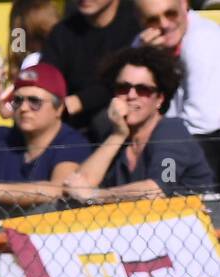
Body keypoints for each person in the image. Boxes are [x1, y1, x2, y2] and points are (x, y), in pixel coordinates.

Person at [63, 46, 212, 203]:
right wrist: (117, 135)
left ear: (160, 99)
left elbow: (158, 189)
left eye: (143, 89)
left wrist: (96, 196)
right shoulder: (115, 136)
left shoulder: (172, 132)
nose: (131, 96)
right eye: (123, 88)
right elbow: (78, 186)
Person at [0, 63, 92, 207]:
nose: (24, 108)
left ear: (59, 108)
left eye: (35, 101)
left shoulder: (72, 143)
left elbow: (58, 190)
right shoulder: (10, 142)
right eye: (17, 100)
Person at [134, 0, 220, 180]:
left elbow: (203, 120)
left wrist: (158, 140)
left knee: (166, 179)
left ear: (184, 5)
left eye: (170, 14)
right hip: (173, 134)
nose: (164, 24)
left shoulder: (203, 41)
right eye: (152, 19)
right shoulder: (144, 42)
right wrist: (146, 56)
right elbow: (122, 89)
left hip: (206, 142)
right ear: (140, 20)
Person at [40, 0, 141, 133]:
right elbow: (45, 80)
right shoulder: (62, 32)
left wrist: (80, 101)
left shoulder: (137, 25)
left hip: (122, 125)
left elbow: (128, 82)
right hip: (69, 126)